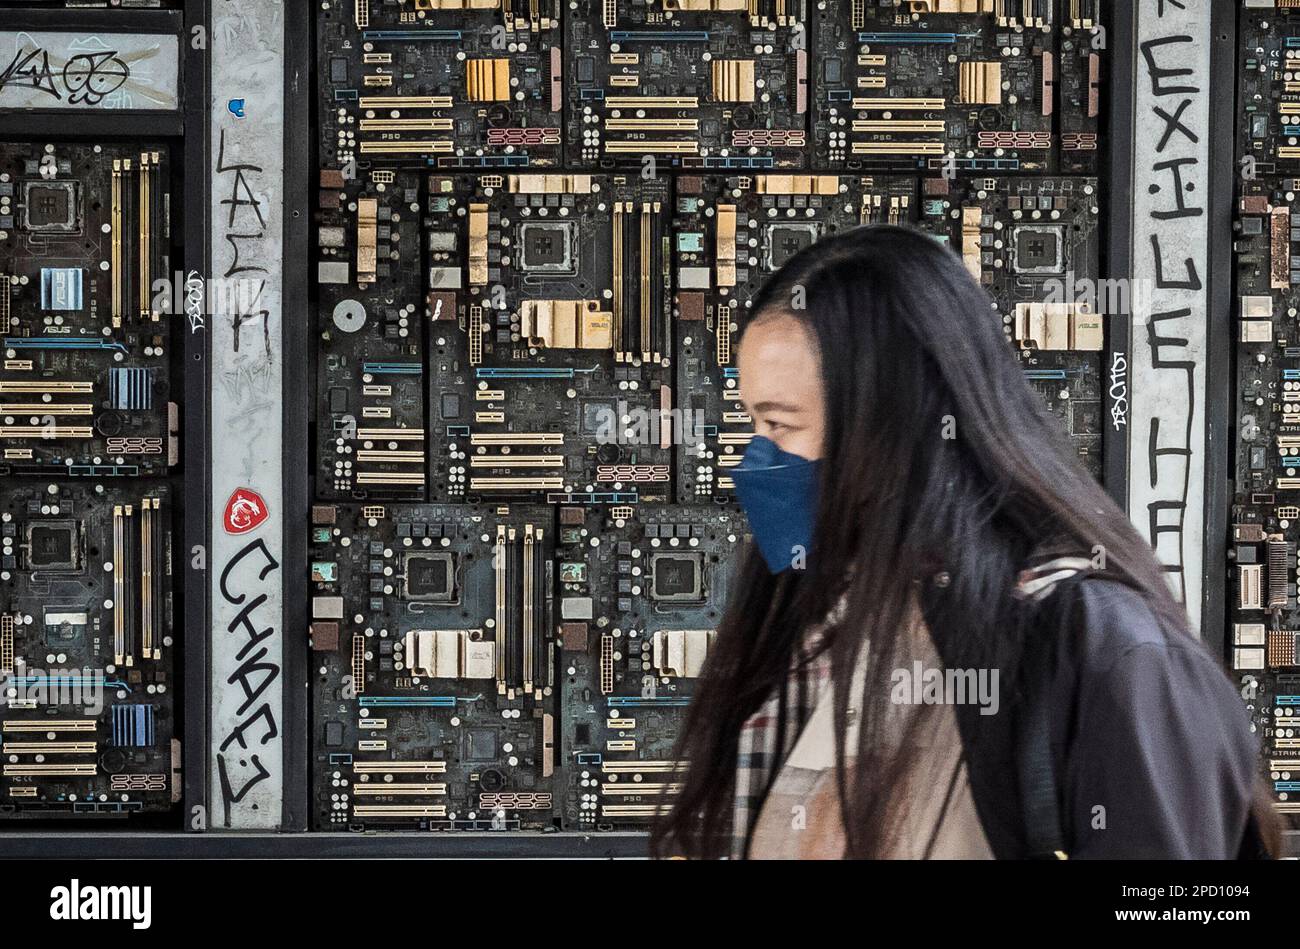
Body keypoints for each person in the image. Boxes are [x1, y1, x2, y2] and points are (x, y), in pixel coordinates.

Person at [650, 225, 1275, 860]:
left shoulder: (1110, 656)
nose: (757, 458)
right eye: (753, 422)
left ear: (895, 428)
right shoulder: (819, 634)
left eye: (779, 424)